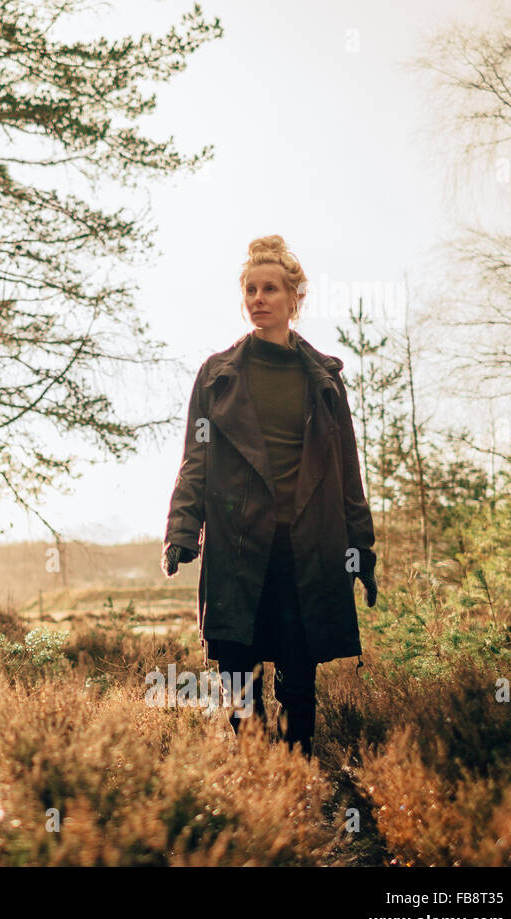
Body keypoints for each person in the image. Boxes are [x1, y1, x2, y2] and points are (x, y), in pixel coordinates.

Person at [159, 235, 378, 759]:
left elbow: (347, 468)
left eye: (270, 289)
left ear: (293, 299)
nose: (259, 298)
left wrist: (360, 546)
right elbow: (196, 457)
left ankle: (300, 776)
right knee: (239, 670)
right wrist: (182, 529)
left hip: (306, 545)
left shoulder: (324, 378)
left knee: (299, 676)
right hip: (238, 546)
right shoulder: (218, 376)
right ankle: (258, 777)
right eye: (251, 289)